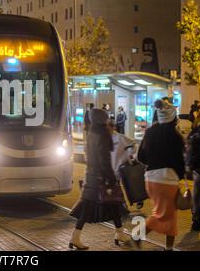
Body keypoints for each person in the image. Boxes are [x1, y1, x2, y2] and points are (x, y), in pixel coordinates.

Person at [69, 109, 130, 250]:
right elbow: (104, 160)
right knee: (97, 204)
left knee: (112, 203)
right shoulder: (102, 134)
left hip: (91, 174)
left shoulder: (91, 132)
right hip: (100, 177)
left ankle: (119, 232)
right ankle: (75, 237)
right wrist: (111, 177)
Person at [137, 99, 186, 251]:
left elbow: (141, 157)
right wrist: (181, 176)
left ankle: (169, 247)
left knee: (170, 214)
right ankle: (137, 235)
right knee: (163, 214)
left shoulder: (150, 132)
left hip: (151, 179)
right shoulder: (176, 137)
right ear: (173, 118)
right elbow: (179, 163)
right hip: (167, 180)